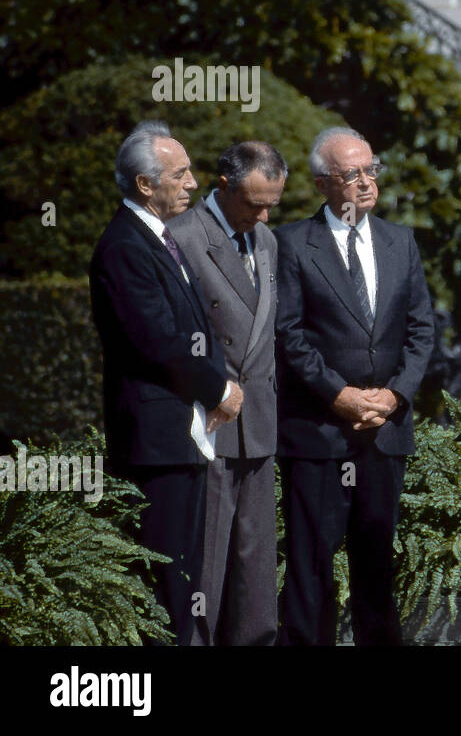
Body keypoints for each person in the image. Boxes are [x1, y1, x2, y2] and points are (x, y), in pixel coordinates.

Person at [275, 127, 437, 645]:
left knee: (376, 566)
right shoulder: (292, 244)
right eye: (352, 174)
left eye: (372, 169)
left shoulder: (400, 240)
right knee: (310, 567)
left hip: (383, 434)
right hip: (320, 433)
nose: (366, 182)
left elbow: (421, 329)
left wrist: (394, 396)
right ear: (324, 182)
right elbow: (288, 334)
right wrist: (339, 396)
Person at [89, 120, 244, 645]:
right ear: (144, 185)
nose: (193, 183)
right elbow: (160, 341)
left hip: (177, 438)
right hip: (156, 445)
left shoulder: (156, 239)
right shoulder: (125, 247)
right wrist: (221, 391)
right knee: (166, 586)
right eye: (179, 174)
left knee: (180, 581)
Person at [168, 140, 286, 646]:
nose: (261, 215)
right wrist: (211, 391)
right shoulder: (181, 238)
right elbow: (169, 337)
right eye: (252, 203)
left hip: (259, 422)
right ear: (223, 186)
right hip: (207, 422)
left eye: (271, 205)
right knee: (206, 562)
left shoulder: (267, 241)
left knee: (256, 566)